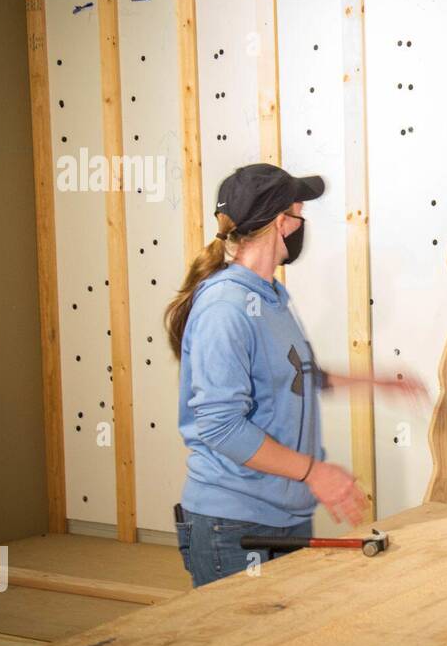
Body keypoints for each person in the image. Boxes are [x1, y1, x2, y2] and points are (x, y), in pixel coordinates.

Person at [164, 163, 419, 588]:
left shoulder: (272, 298)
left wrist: (376, 384)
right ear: (282, 224)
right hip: (233, 525)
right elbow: (222, 427)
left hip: (285, 517)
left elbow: (300, 376)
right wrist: (315, 473)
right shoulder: (225, 307)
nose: (303, 225)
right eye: (300, 213)